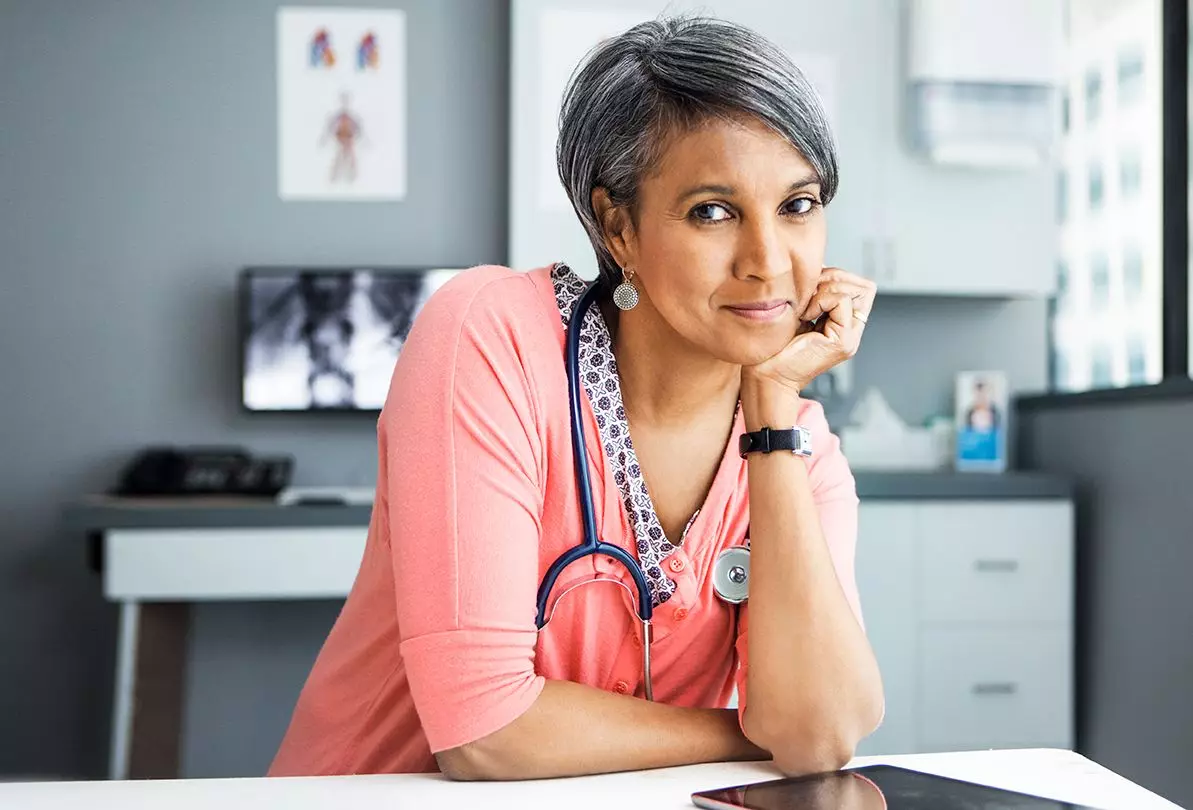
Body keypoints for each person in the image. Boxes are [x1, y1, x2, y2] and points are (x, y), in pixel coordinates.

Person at [269, 15, 883, 781]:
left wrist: (771, 413)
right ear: (617, 227)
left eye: (797, 205)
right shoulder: (490, 338)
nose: (769, 263)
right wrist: (753, 733)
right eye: (712, 212)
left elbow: (822, 738)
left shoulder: (800, 451)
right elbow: (484, 731)